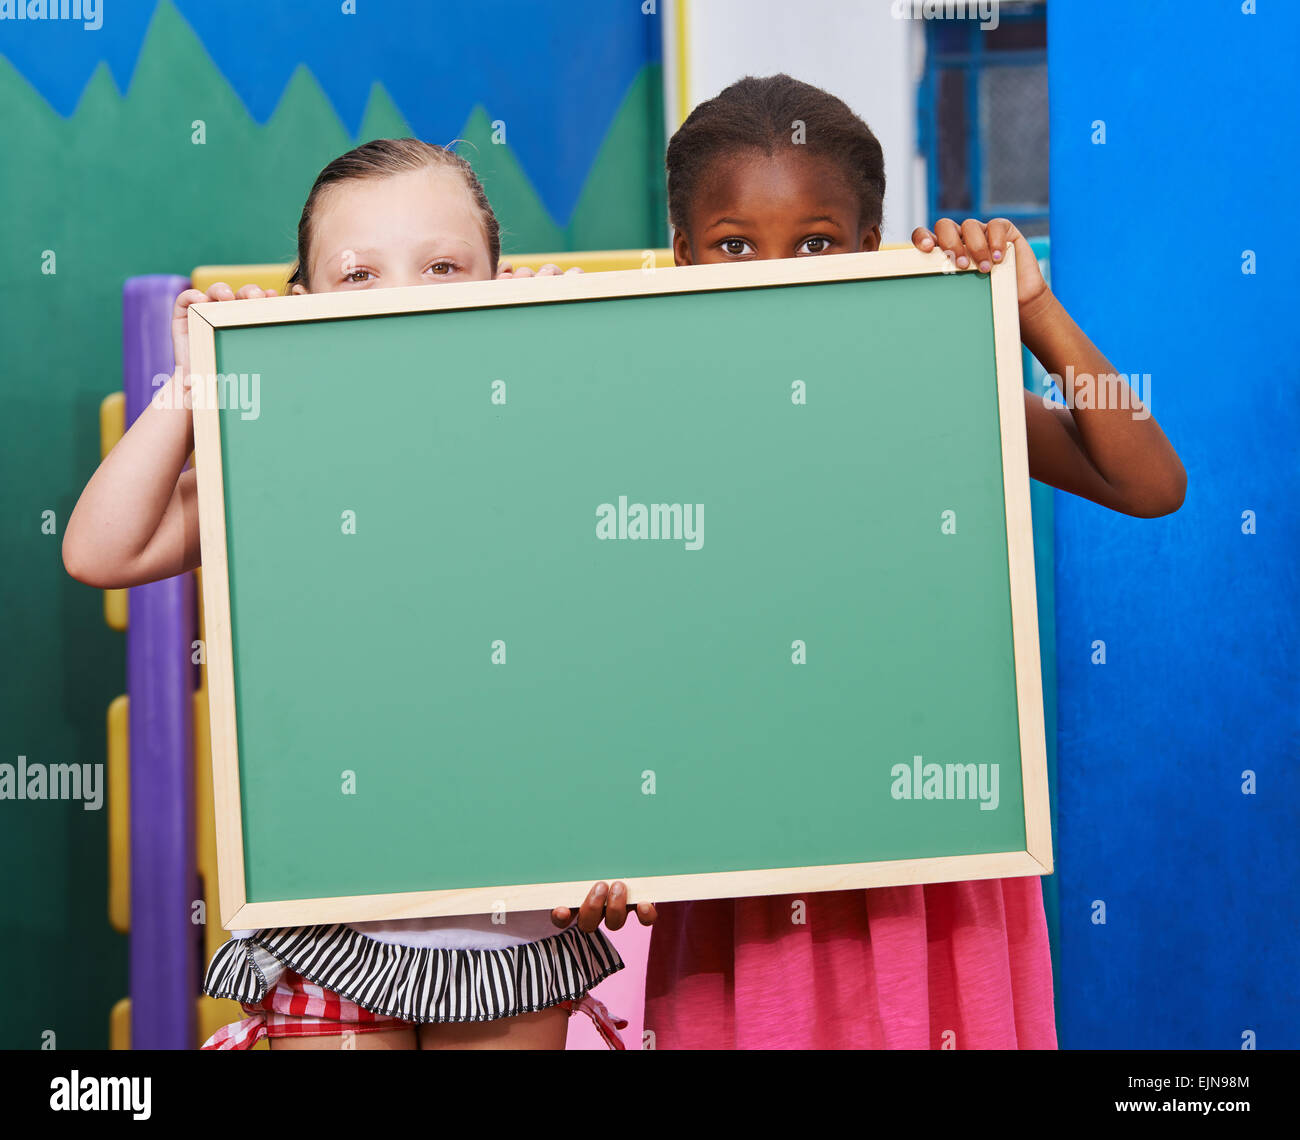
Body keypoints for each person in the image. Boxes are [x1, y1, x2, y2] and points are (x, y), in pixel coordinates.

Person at [62, 137, 654, 1051]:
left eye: (444, 266)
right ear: (302, 306)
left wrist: (570, 352)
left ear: (504, 282)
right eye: (359, 274)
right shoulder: (269, 465)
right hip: (327, 924)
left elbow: (639, 641)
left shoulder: (551, 454)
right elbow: (103, 548)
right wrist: (199, 380)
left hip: (514, 930)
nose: (405, 296)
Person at [642, 74, 1186, 1049]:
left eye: (814, 242)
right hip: (743, 881)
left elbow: (1147, 481)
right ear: (683, 254)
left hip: (929, 881)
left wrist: (1033, 312)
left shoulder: (930, 386)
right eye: (734, 244)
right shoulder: (651, 425)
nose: (777, 272)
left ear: (865, 246)